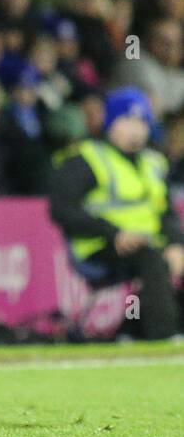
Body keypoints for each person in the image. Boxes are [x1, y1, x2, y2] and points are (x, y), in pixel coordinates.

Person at [48, 87, 184, 340]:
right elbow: (61, 210)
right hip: (101, 245)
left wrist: (177, 244)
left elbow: (166, 213)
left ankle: (134, 329)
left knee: (169, 256)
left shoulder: (154, 162)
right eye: (128, 120)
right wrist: (114, 233)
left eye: (142, 121)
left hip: (148, 241)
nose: (136, 128)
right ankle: (165, 336)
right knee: (151, 258)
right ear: (110, 122)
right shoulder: (86, 159)